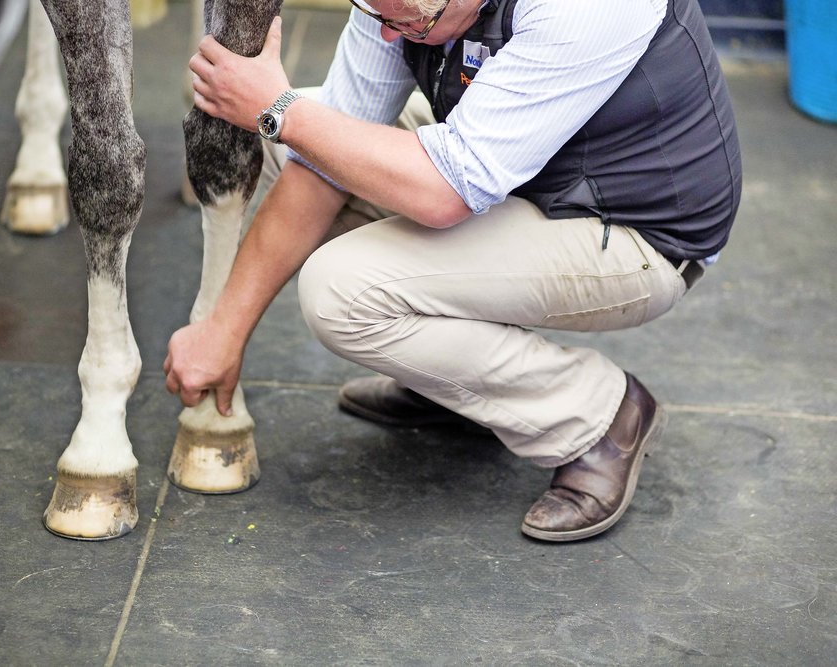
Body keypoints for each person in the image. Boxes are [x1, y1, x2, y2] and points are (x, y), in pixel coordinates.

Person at [165, 0, 741, 542]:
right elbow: (318, 165)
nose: (389, 33)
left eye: (409, 23)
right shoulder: (398, 5)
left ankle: (597, 416)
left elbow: (445, 190)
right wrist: (224, 330)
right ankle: (454, 386)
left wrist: (279, 109)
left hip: (633, 227)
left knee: (341, 290)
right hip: (523, 164)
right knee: (288, 141)